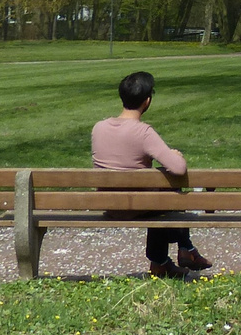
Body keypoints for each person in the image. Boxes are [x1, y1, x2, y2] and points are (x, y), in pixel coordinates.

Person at [91, 70, 212, 279]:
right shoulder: (143, 132)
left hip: (109, 203)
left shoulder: (98, 128)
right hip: (137, 206)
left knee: (160, 192)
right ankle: (179, 252)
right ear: (147, 101)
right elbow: (179, 168)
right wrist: (175, 154)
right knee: (169, 187)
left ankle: (171, 258)